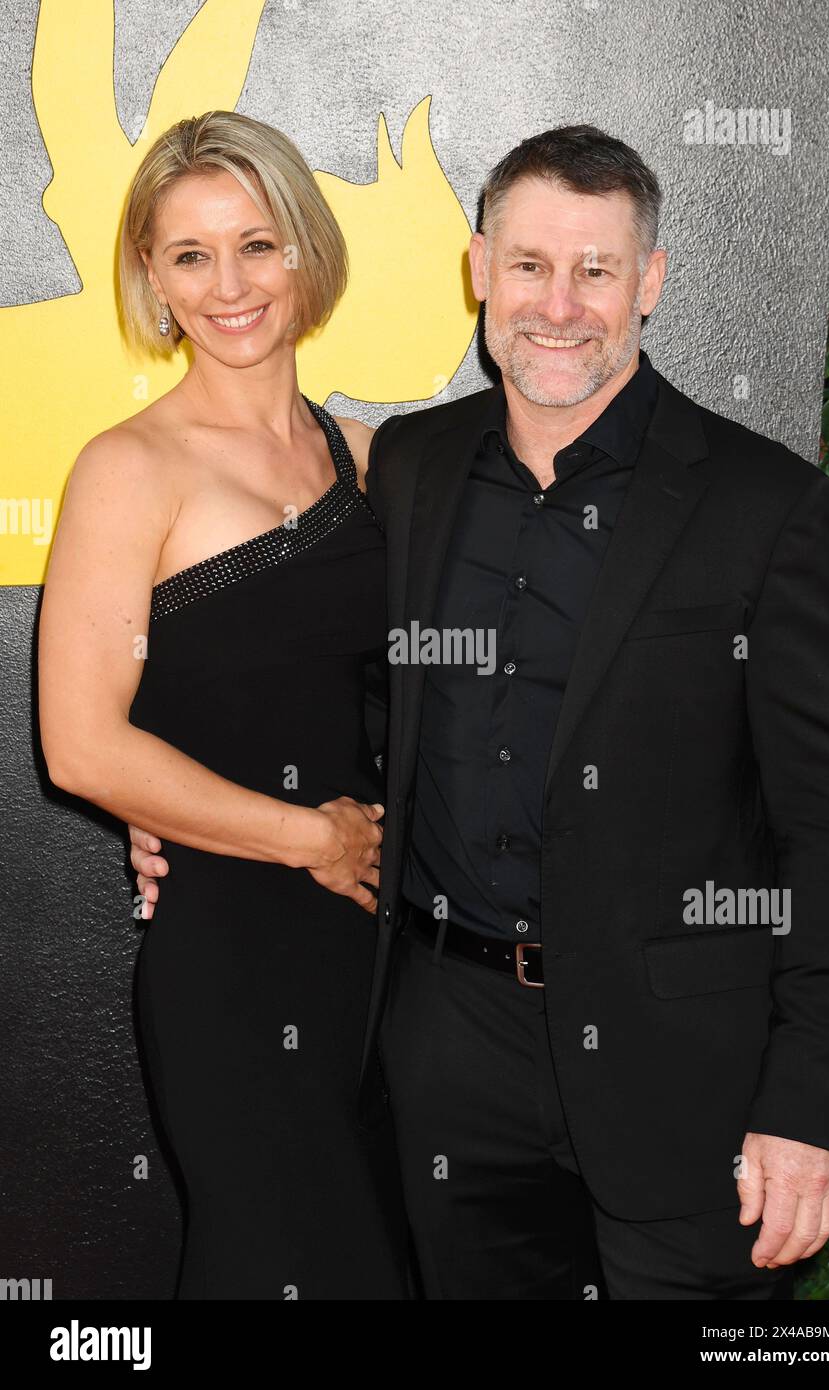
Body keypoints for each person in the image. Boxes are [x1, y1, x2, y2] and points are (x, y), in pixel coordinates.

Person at [130, 125, 829, 1300]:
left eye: (596, 270)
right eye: (530, 266)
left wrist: (808, 1103)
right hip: (445, 1053)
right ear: (480, 269)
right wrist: (170, 810)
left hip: (686, 1079)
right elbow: (340, 695)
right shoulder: (411, 470)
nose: (560, 306)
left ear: (652, 281)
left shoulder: (765, 506)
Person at [38, 110, 411, 1300]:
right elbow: (81, 745)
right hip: (234, 950)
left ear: (307, 248)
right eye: (190, 254)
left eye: (257, 243)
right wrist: (311, 835)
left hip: (390, 955)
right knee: (271, 1258)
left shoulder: (375, 460)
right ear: (152, 277)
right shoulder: (125, 468)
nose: (229, 284)